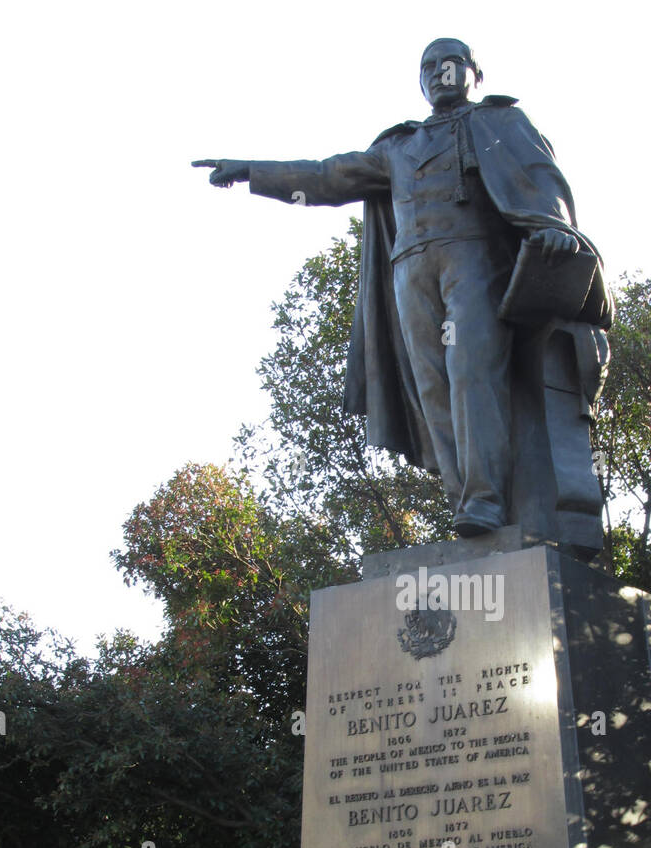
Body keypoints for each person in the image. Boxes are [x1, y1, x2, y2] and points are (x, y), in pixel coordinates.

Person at [195, 38, 611, 548]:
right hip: (410, 272)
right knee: (432, 387)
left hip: (476, 261)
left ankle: (485, 497)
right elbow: (328, 176)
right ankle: (467, 503)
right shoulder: (397, 146)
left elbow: (542, 179)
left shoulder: (501, 123)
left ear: (474, 74)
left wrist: (556, 230)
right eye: (428, 67)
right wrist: (253, 171)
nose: (438, 73)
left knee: (471, 371)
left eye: (449, 63)